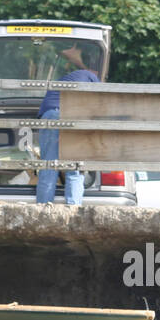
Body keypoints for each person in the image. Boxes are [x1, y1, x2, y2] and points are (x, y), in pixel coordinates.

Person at [36, 43, 100, 205]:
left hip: (50, 115)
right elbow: (99, 108)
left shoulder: (67, 78)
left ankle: (43, 208)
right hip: (71, 116)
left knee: (49, 167)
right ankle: (73, 208)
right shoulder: (92, 77)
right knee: (74, 168)